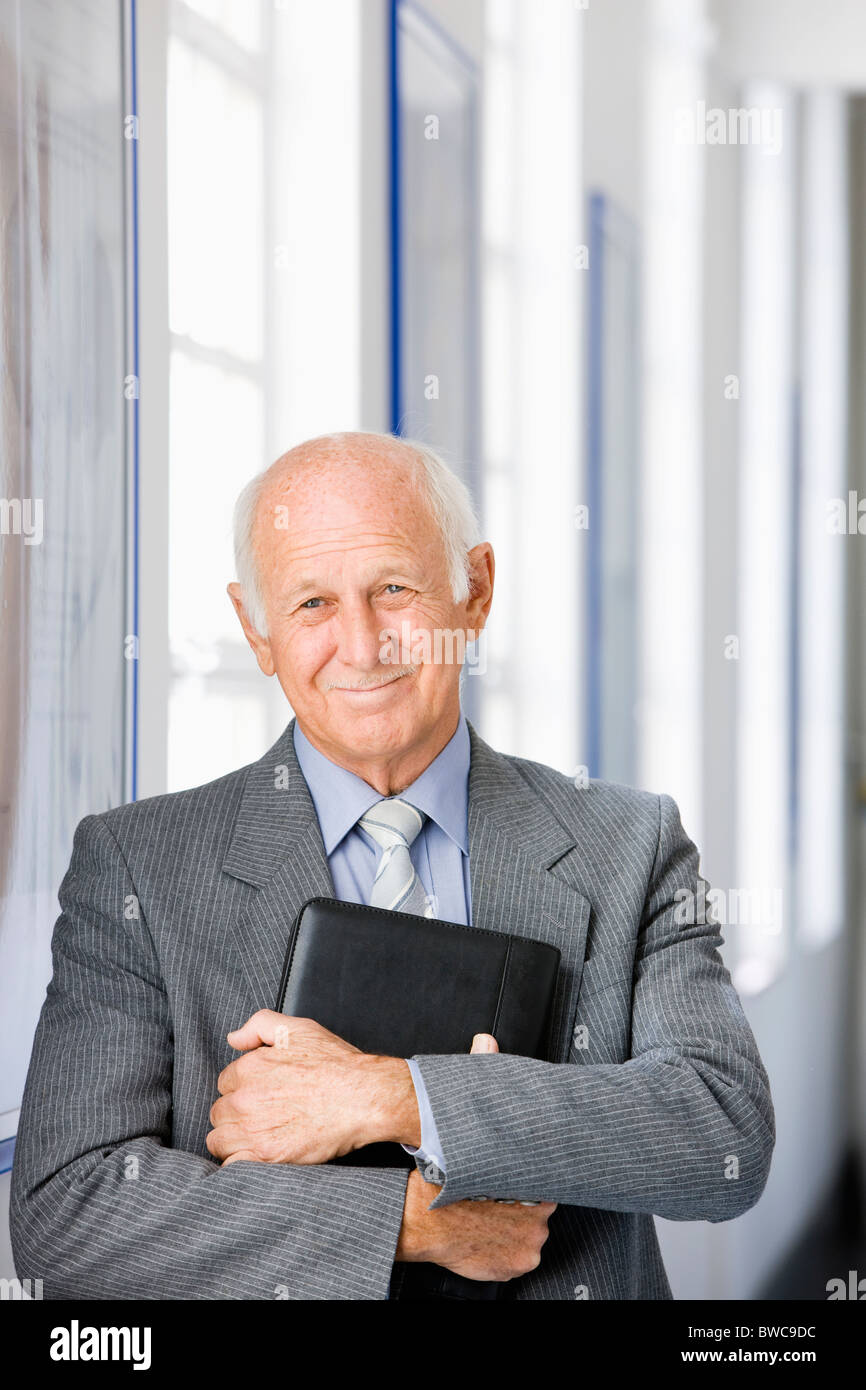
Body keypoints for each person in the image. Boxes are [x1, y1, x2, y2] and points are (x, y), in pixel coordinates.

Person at [10, 431, 775, 1300]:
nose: (363, 643)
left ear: (475, 590)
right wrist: (404, 1225)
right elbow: (66, 1211)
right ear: (255, 631)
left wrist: (391, 1096)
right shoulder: (137, 867)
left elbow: (724, 1136)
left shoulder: (628, 844)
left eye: (394, 588)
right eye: (310, 605)